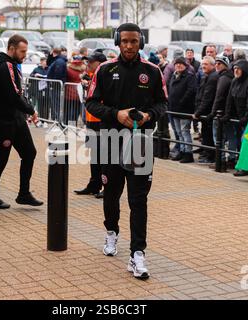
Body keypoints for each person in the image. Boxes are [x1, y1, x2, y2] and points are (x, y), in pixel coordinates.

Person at [86, 23, 167, 279]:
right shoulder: (104, 69)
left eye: (134, 41)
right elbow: (90, 103)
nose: (129, 46)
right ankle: (111, 232)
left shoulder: (153, 72)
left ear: (140, 42)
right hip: (109, 141)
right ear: (117, 43)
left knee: (138, 200)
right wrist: (115, 114)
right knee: (111, 193)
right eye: (125, 41)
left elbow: (162, 104)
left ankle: (137, 254)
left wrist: (147, 116)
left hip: (141, 142)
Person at [0, 35, 43, 209]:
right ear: (12, 48)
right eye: (22, 51)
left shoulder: (6, 64)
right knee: (0, 159)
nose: (24, 55)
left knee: (29, 153)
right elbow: (15, 95)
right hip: (5, 121)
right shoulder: (4, 66)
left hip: (16, 119)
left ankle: (24, 194)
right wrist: (31, 110)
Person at [74, 52, 108, 198]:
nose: (88, 64)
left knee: (105, 156)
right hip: (91, 120)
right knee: (94, 156)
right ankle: (94, 184)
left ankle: (107, 186)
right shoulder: (91, 76)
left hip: (103, 121)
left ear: (100, 63)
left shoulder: (105, 76)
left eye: (91, 62)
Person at [223, 59, 248, 177]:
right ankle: (243, 164)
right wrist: (227, 114)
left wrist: (246, 117)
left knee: (246, 142)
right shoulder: (235, 81)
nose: (236, 71)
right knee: (241, 141)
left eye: (238, 69)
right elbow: (230, 99)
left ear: (244, 70)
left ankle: (246, 167)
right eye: (234, 69)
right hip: (239, 117)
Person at [207, 56, 235, 170]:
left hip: (221, 113)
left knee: (218, 137)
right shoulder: (229, 77)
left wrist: (212, 113)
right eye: (216, 63)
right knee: (231, 136)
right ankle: (232, 159)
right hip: (229, 112)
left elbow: (219, 97)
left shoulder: (224, 78)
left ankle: (221, 160)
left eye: (220, 63)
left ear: (226, 65)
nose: (217, 65)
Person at [168, 57, 196, 163]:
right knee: (179, 132)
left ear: (185, 65)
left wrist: (181, 102)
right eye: (176, 64)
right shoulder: (173, 75)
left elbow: (191, 91)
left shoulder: (189, 76)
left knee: (185, 132)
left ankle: (188, 154)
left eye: (181, 64)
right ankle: (182, 151)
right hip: (174, 109)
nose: (178, 65)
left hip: (184, 109)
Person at [193, 56, 219, 164]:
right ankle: (207, 154)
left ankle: (210, 156)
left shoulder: (213, 77)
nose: (203, 66)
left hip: (208, 112)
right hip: (204, 111)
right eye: (202, 64)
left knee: (208, 135)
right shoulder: (206, 76)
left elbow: (207, 97)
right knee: (205, 134)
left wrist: (198, 112)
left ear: (213, 66)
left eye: (206, 64)